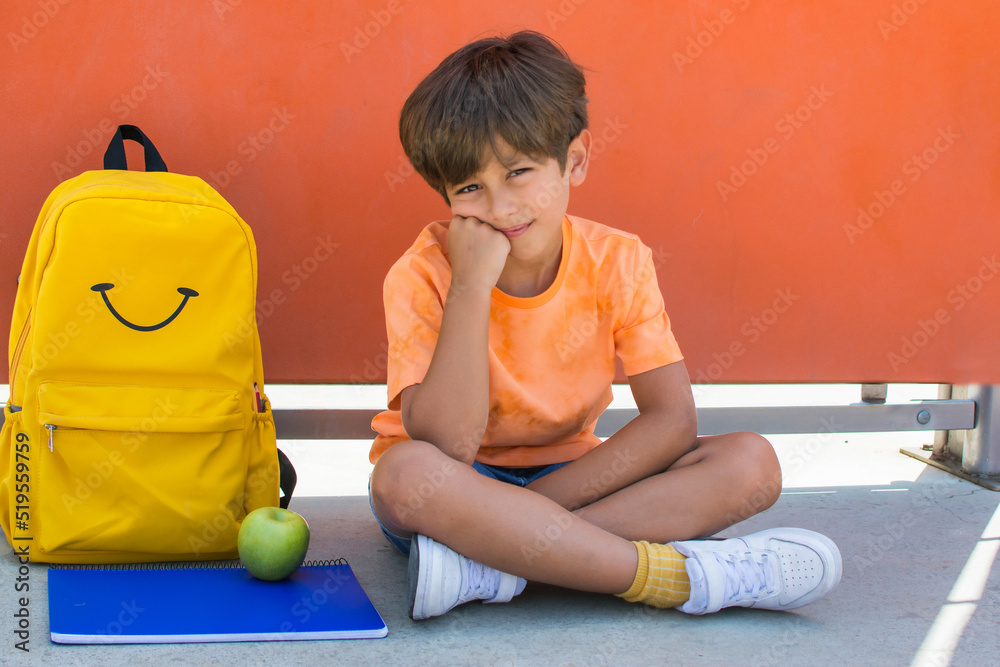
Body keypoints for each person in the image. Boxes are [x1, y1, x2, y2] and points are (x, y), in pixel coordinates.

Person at [368, 30, 841, 620]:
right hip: (458, 489)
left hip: (578, 478)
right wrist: (470, 287)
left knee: (751, 463)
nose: (500, 207)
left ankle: (494, 565)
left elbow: (672, 421)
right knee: (404, 473)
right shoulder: (422, 274)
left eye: (518, 172)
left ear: (575, 159)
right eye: (469, 187)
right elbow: (448, 446)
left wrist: (532, 519)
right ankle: (675, 579)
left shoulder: (619, 261)